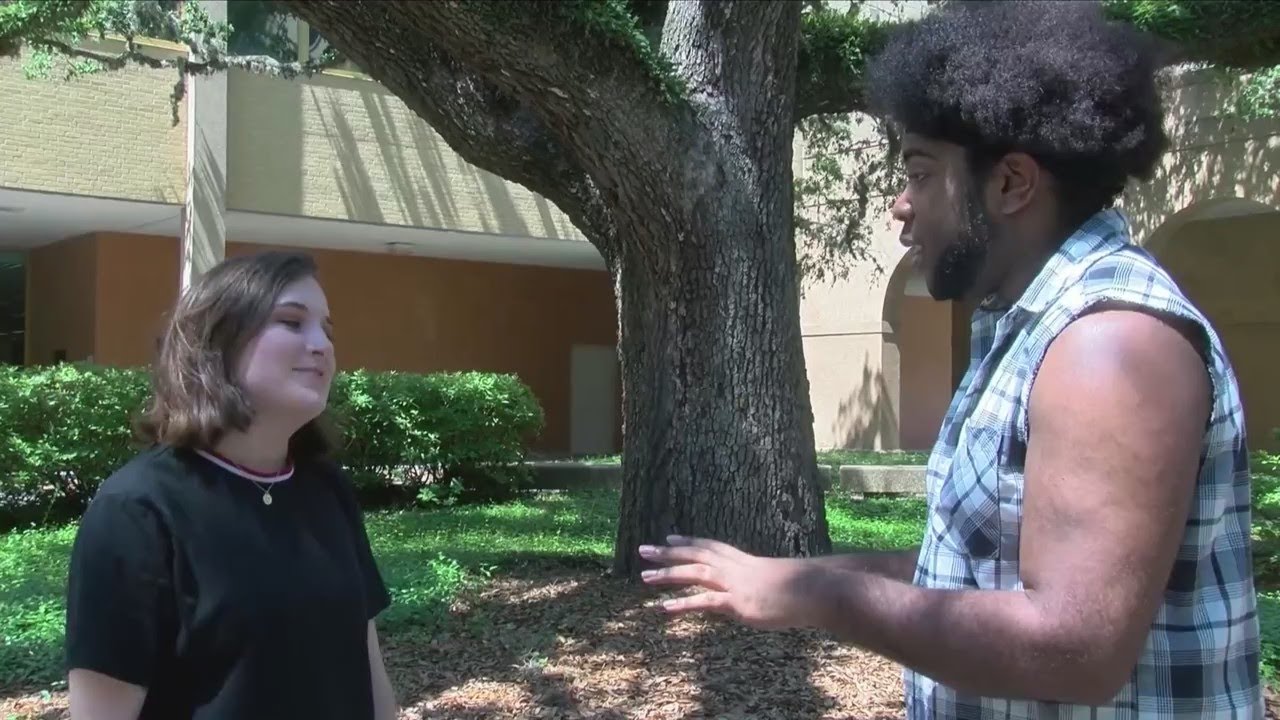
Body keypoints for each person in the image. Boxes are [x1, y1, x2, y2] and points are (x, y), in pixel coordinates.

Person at [639, 2, 1261, 717]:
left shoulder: (1109, 343)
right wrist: (792, 575)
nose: (900, 206)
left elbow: (1077, 647)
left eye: (922, 173)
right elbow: (971, 575)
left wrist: (820, 595)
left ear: (1011, 184)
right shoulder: (1025, 327)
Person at [64, 251, 399, 719]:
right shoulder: (136, 511)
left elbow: (368, 666)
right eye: (291, 322)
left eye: (328, 329)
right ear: (217, 342)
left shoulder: (326, 489)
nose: (321, 344)